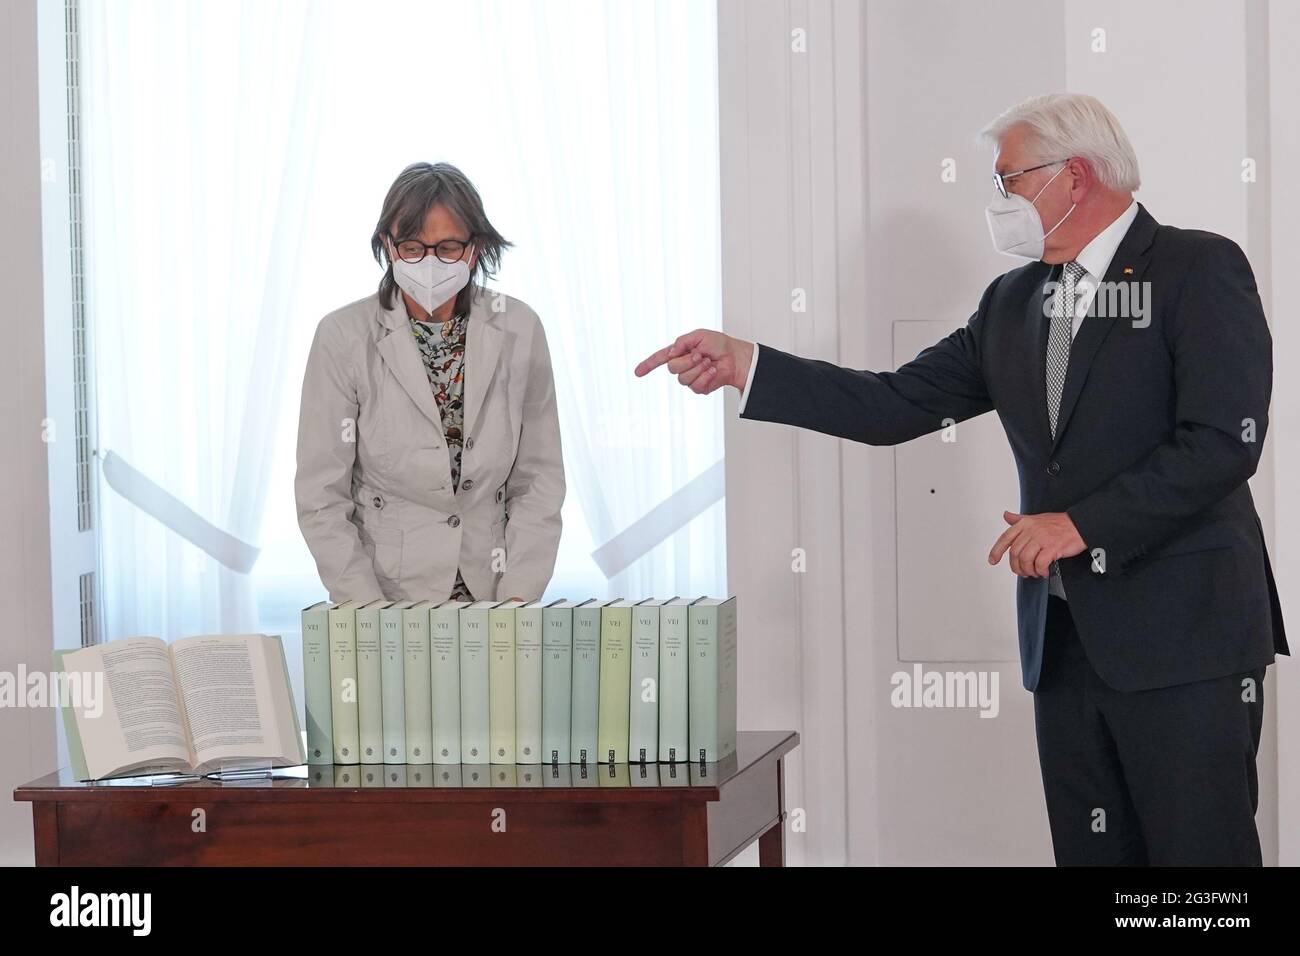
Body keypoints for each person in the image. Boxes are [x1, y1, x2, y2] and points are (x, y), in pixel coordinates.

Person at [636, 93, 1288, 866]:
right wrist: (750, 364)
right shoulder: (1011, 302)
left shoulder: (1197, 266)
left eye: (1009, 181)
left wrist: (1081, 525)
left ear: (1074, 177)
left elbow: (1221, 442)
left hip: (1188, 643)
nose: (999, 201)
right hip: (1068, 645)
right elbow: (892, 402)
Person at [296, 162, 563, 604]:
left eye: (448, 247)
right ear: (388, 245)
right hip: (386, 599)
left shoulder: (520, 328)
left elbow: (539, 479)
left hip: (495, 598)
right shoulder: (343, 336)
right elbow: (320, 494)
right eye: (414, 248)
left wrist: (517, 599)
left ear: (475, 248)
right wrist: (368, 611)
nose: (431, 263)